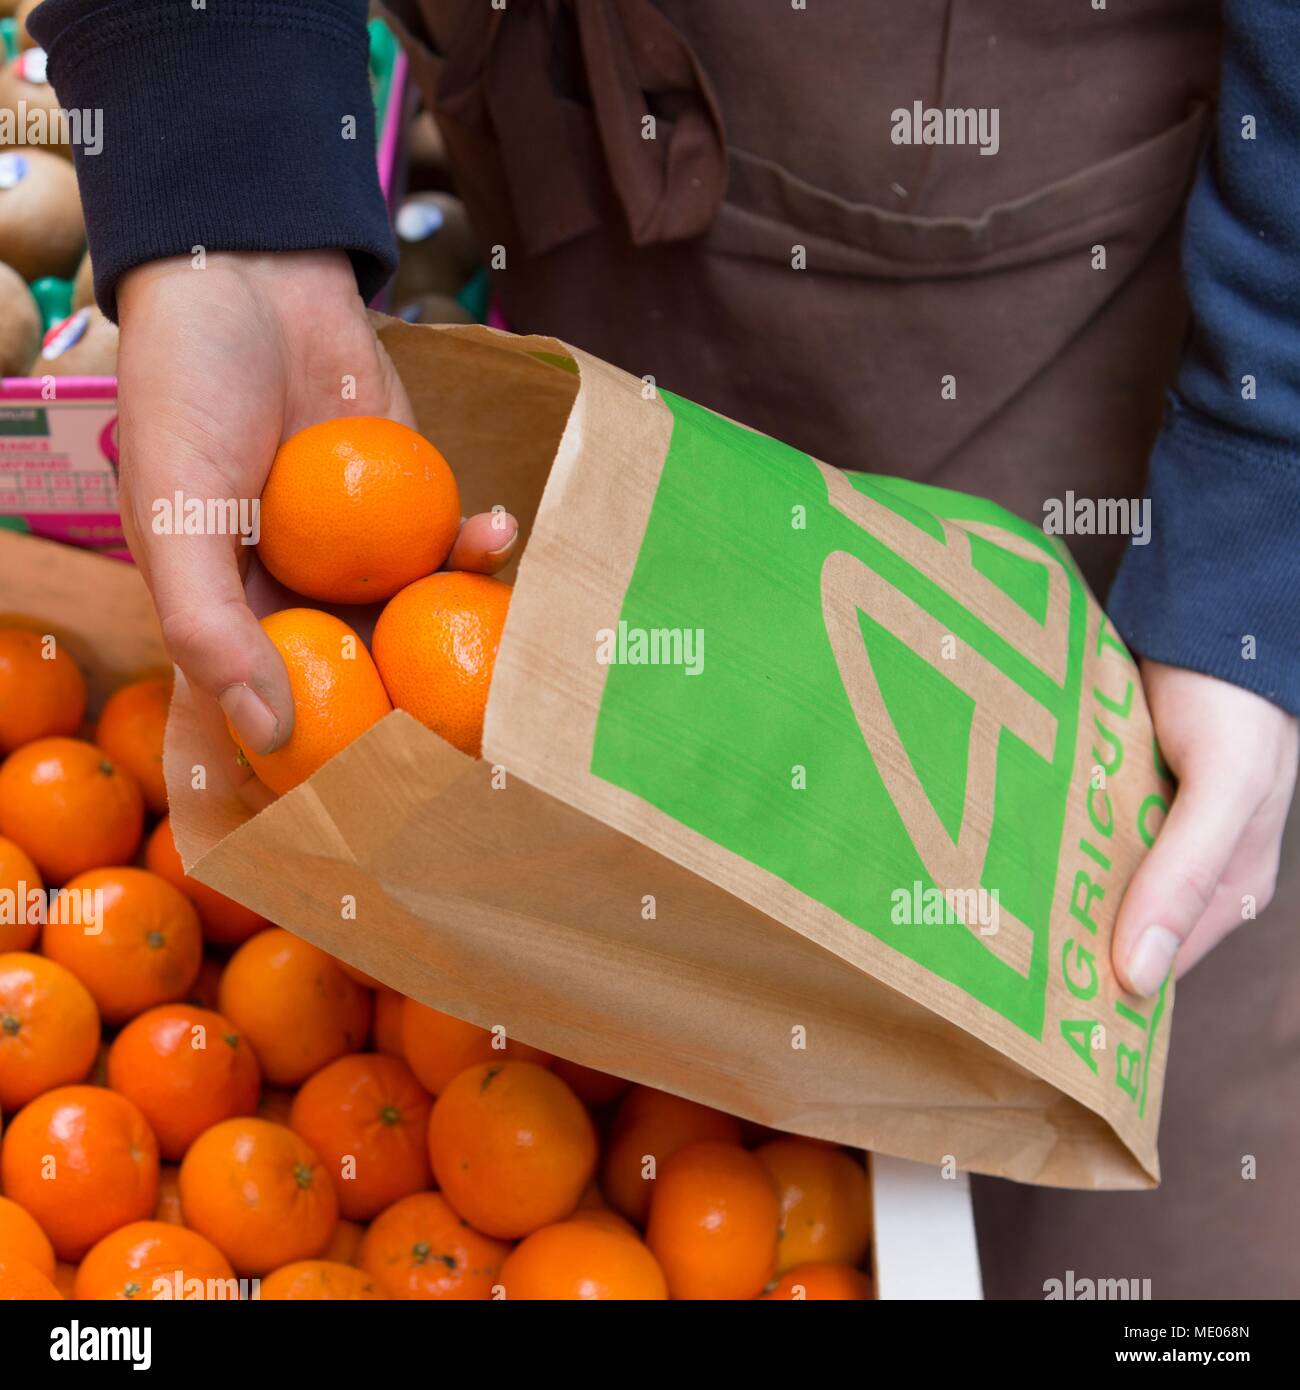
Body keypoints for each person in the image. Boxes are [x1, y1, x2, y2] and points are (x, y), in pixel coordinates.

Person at [29, 0, 1298, 1297]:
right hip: (562, 127)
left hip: (1038, 252)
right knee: (601, 913)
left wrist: (1266, 494)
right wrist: (225, 164)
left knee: (1125, 1173)